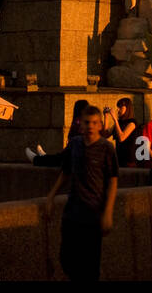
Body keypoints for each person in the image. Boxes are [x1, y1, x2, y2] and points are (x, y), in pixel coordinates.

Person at [45, 104, 118, 282]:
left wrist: (108, 212)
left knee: (90, 266)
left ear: (100, 125)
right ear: (81, 124)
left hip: (93, 214)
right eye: (87, 122)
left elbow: (113, 180)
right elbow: (66, 172)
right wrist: (51, 196)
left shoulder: (107, 148)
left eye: (94, 122)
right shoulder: (75, 144)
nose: (90, 126)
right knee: (66, 259)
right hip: (72, 213)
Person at [27, 99, 89, 165]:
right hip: (75, 154)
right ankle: (43, 157)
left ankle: (37, 160)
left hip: (78, 158)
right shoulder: (79, 124)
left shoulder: (81, 125)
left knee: (60, 158)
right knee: (61, 156)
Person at [105, 97, 137, 166]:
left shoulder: (132, 123)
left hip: (129, 160)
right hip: (119, 158)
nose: (118, 110)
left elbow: (121, 138)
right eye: (118, 107)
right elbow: (106, 135)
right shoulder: (119, 122)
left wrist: (115, 120)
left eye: (121, 107)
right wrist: (106, 117)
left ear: (127, 108)